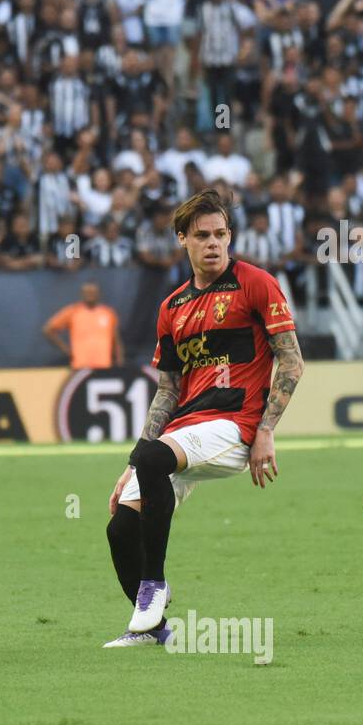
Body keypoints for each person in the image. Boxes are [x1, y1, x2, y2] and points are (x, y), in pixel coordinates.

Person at [102, 188, 305, 647]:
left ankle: (154, 586)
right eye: (201, 235)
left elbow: (291, 361)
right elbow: (169, 389)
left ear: (230, 236)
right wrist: (131, 463)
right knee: (120, 527)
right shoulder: (171, 308)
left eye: (220, 234)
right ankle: (153, 631)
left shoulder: (255, 283)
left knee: (154, 461)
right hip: (183, 430)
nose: (213, 243)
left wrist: (265, 431)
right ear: (182, 240)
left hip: (233, 426)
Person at [41, 282, 123, 368]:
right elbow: (48, 330)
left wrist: (119, 359)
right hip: (81, 365)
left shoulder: (108, 313)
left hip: (104, 364)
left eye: (92, 293)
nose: (89, 295)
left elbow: (116, 339)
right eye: (86, 293)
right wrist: (66, 350)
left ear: (99, 294)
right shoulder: (73, 311)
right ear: (81, 294)